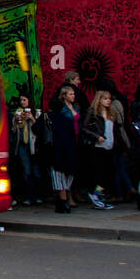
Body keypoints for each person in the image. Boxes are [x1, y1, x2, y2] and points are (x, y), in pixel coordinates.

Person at [81, 91, 123, 208]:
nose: (108, 101)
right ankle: (96, 196)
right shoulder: (93, 113)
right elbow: (84, 128)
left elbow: (114, 130)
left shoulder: (111, 113)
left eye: (109, 99)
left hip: (109, 146)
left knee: (107, 174)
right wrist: (96, 137)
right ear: (99, 100)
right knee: (99, 174)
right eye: (105, 99)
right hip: (98, 147)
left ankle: (99, 196)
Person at [47, 83, 82, 213]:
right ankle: (64, 200)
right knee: (60, 171)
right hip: (60, 145)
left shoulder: (75, 108)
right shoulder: (62, 114)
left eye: (73, 94)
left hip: (72, 142)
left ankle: (63, 200)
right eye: (71, 94)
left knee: (68, 171)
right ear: (64, 96)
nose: (73, 96)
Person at [10, 94, 44, 206]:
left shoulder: (37, 112)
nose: (22, 102)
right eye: (21, 100)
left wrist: (32, 119)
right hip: (22, 145)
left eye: (25, 100)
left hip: (34, 145)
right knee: (27, 172)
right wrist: (16, 121)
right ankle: (29, 196)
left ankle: (39, 195)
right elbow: (14, 131)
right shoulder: (18, 112)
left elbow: (39, 129)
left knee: (36, 172)